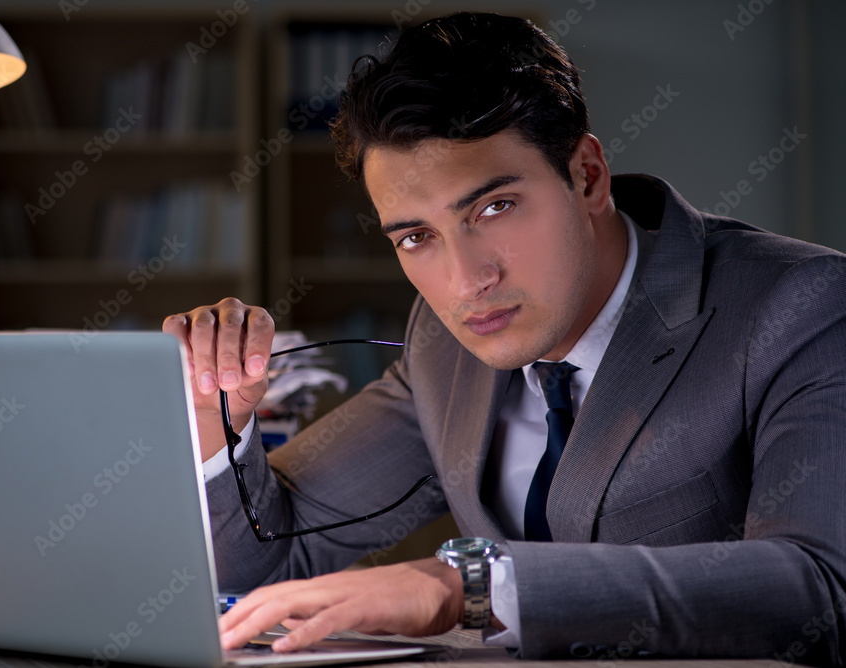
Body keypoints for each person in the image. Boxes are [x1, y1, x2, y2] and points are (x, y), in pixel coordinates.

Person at [162, 12, 846, 664]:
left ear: (587, 176)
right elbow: (266, 558)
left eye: (494, 207)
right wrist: (213, 415)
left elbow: (819, 586)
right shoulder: (444, 342)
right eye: (416, 237)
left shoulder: (803, 303)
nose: (466, 281)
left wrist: (470, 587)